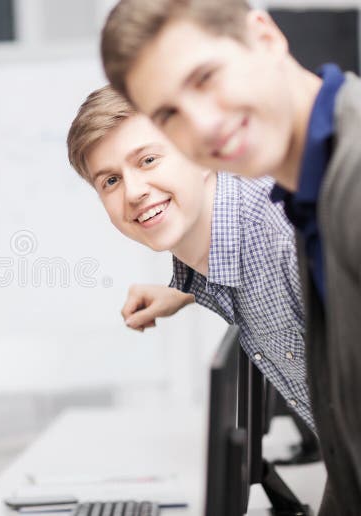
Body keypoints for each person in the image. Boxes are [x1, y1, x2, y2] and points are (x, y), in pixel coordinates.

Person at [100, 0, 361, 510]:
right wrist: (184, 291)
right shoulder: (310, 202)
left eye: (205, 77)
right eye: (169, 114)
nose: (201, 124)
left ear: (264, 35)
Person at [66, 86, 312, 431]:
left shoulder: (286, 240)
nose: (133, 192)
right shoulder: (228, 250)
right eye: (111, 180)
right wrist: (184, 292)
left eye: (148, 160)